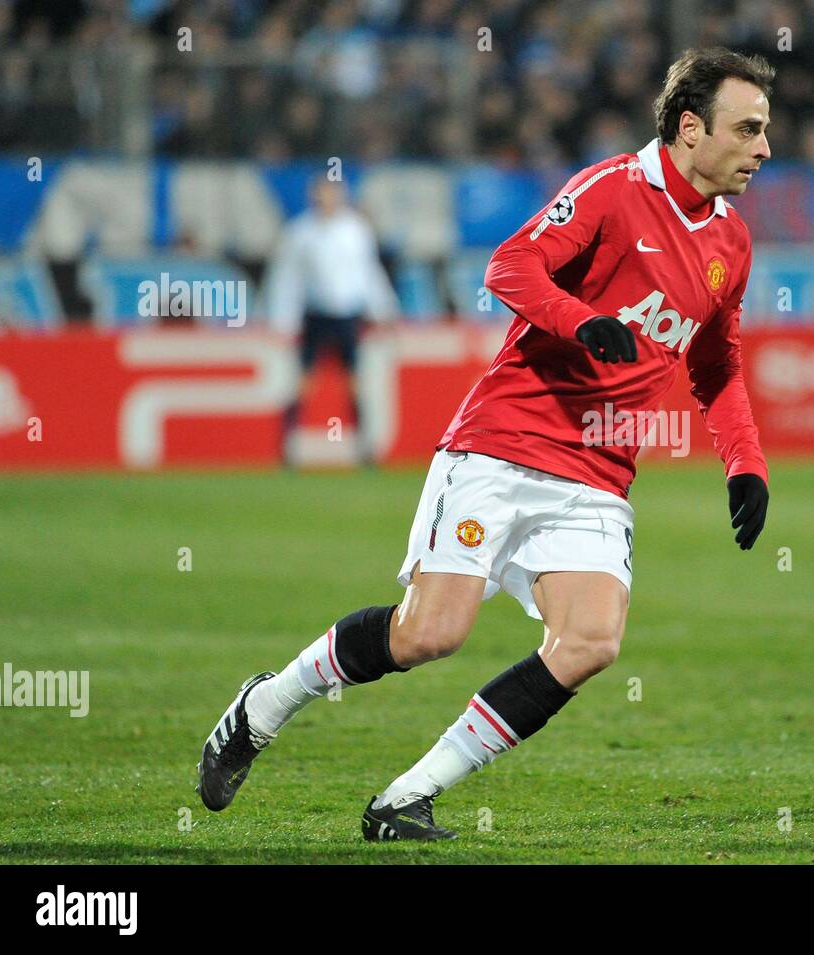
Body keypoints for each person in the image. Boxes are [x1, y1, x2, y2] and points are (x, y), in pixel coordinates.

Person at [197, 47, 774, 842]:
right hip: (505, 442)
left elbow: (718, 366)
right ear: (689, 128)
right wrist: (582, 320)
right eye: (747, 129)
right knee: (428, 634)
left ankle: (406, 796)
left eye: (764, 131)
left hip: (600, 471)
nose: (762, 148)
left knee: (591, 640)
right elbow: (511, 265)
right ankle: (263, 704)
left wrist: (745, 463)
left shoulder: (732, 244)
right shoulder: (611, 191)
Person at [265, 177, 399, 465]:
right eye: (321, 193)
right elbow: (287, 279)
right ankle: (288, 447)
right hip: (315, 315)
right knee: (303, 382)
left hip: (348, 315)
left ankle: (365, 449)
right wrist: (282, 320)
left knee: (355, 382)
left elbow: (368, 272)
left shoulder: (355, 229)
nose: (326, 198)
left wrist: (383, 309)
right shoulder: (300, 232)